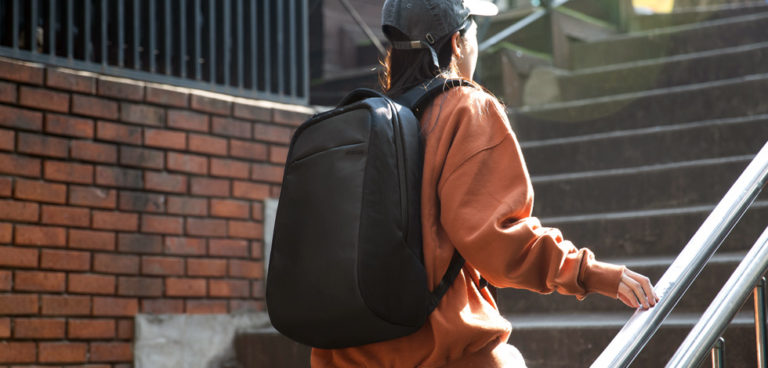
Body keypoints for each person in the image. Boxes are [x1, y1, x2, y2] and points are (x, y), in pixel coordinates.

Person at [311, 0, 659, 366]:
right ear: (458, 44)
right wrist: (589, 272)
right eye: (474, 30)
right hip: (437, 353)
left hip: (346, 355)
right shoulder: (466, 108)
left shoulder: (362, 123)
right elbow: (499, 242)